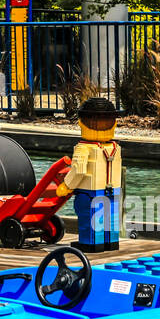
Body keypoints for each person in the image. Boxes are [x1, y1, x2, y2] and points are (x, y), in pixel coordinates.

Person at [55, 97, 123, 252]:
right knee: (110, 219)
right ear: (114, 123)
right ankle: (111, 243)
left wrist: (67, 185)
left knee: (90, 218)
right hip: (113, 191)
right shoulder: (115, 147)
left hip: (89, 192)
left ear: (81, 122)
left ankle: (90, 244)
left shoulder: (83, 148)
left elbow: (78, 171)